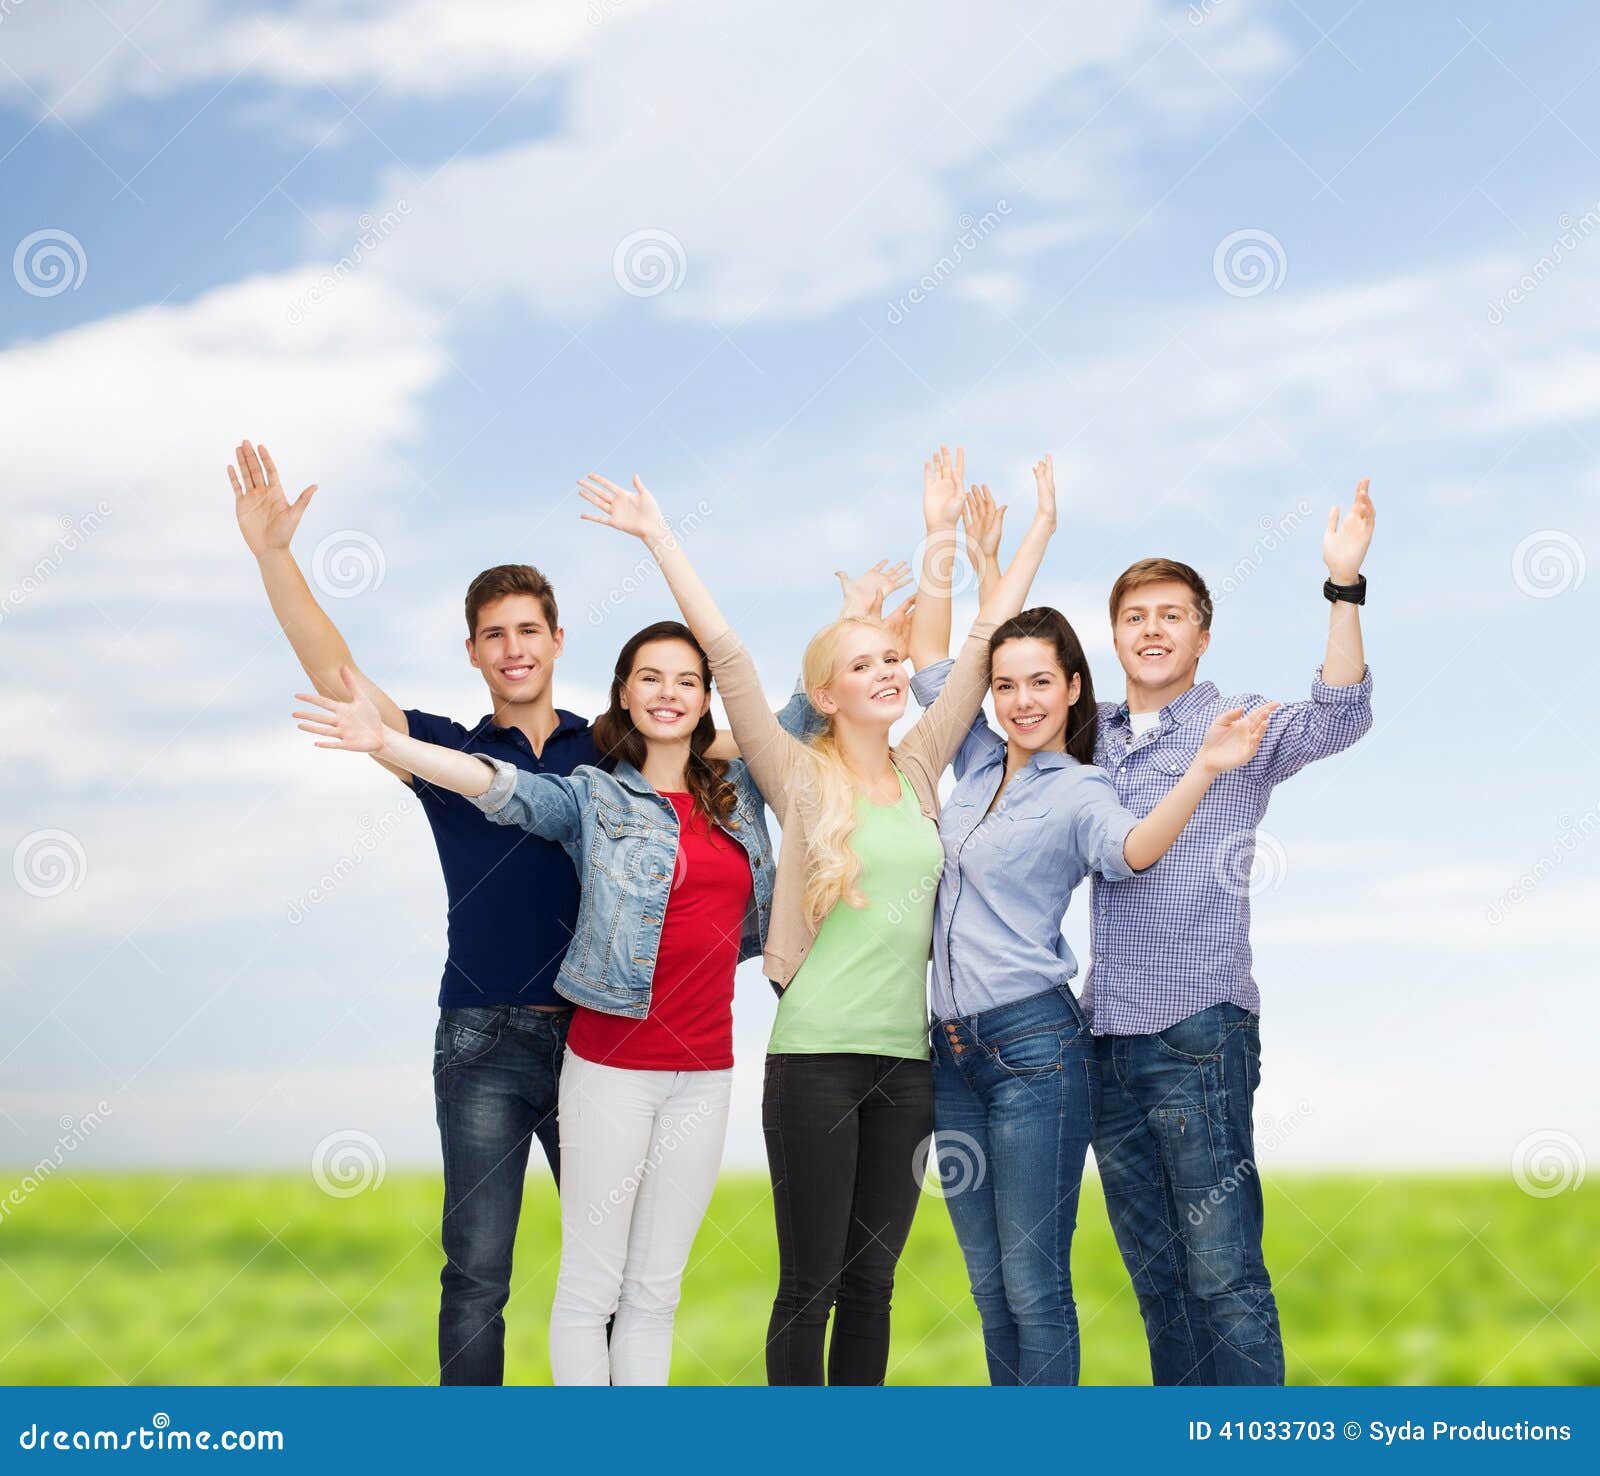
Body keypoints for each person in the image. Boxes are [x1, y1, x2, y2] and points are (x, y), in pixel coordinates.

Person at [231, 437, 911, 1383]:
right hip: (488, 1034)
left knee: (635, 1278)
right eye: (494, 633)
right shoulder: (449, 753)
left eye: (530, 630)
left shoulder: (614, 759)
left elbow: (768, 736)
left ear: (559, 643)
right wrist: (275, 559)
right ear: (473, 651)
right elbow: (347, 684)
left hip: (613, 1033)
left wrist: (846, 635)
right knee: (480, 1270)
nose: (514, 647)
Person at [572, 449, 1055, 1385]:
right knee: (811, 1287)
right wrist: (657, 534)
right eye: (861, 663)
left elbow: (987, 636)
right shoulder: (796, 775)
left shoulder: (919, 770)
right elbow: (730, 658)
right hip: (815, 1065)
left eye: (891, 658)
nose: (886, 671)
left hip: (906, 1067)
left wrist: (986, 535)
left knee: (873, 1287)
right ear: (827, 694)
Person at [966, 477, 1377, 1385]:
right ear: (1112, 638)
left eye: (1172, 616)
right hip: (1103, 1038)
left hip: (1200, 1030)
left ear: (1201, 634)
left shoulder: (1241, 727)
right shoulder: (1088, 737)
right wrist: (991, 570)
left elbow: (1344, 714)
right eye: (1135, 616)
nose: (1152, 630)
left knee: (1223, 1273)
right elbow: (983, 694)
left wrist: (1343, 587)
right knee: (1157, 1279)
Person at [903, 483, 1276, 1386]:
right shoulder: (976, 757)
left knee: (1036, 1284)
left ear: (1076, 690)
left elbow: (1134, 852)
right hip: (948, 1051)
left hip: (1035, 1041)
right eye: (1005, 685)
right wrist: (945, 539)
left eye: (1043, 683)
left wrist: (1199, 769)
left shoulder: (1081, 787)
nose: (1021, 700)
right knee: (990, 1288)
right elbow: (931, 658)